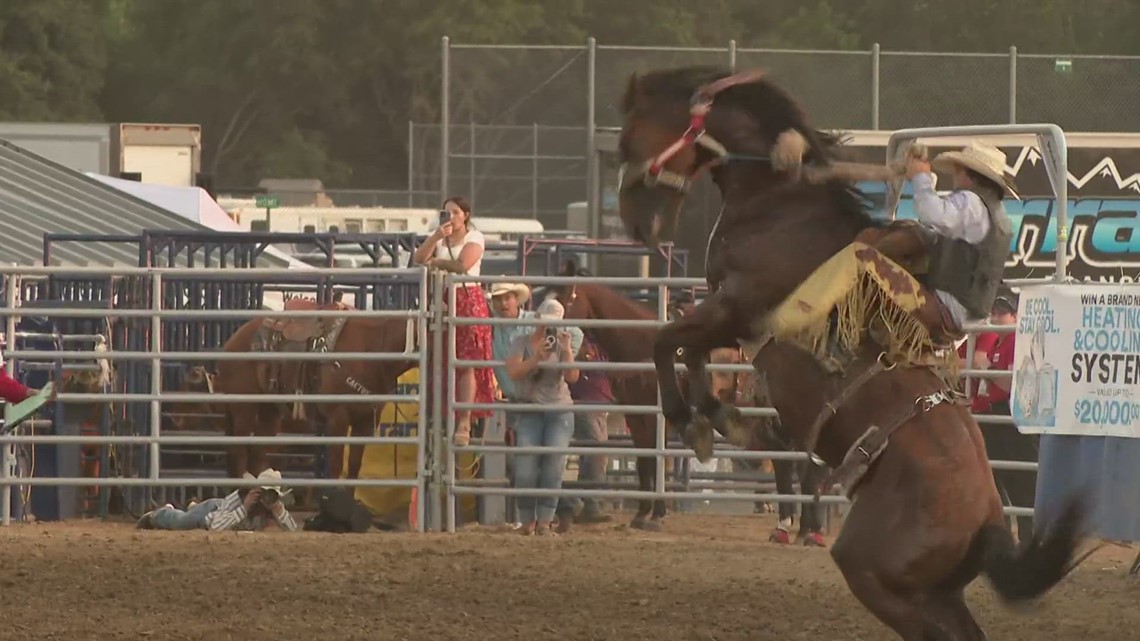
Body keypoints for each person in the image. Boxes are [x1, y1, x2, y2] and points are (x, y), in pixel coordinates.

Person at [902, 141, 1017, 343]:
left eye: (959, 170)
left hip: (949, 302)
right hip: (968, 307)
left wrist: (921, 178)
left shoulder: (971, 202)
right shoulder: (994, 210)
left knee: (872, 272)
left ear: (970, 175)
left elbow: (934, 214)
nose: (955, 174)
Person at [413, 196, 495, 446]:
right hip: (444, 299)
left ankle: (464, 421)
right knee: (442, 359)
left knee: (467, 362)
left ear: (466, 215)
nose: (450, 216)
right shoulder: (439, 236)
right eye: (446, 212)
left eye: (455, 212)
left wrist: (436, 261)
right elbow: (418, 258)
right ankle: (441, 416)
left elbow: (463, 265)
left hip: (468, 299)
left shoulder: (475, 237)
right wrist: (436, 237)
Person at [505, 298, 579, 536]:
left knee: (554, 465)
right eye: (546, 323)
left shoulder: (565, 343)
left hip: (559, 410)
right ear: (537, 319)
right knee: (525, 466)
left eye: (554, 324)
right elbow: (514, 372)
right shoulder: (520, 342)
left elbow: (572, 377)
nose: (549, 329)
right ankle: (528, 521)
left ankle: (545, 521)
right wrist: (536, 357)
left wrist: (566, 350)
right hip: (530, 409)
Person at [970, 292, 1037, 542]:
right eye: (994, 312)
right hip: (994, 417)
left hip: (1011, 418)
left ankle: (1028, 537)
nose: (996, 317)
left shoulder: (1020, 341)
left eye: (1002, 313)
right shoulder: (999, 342)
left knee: (1020, 480)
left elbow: (1011, 385)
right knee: (996, 479)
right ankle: (1006, 537)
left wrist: (985, 369)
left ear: (1016, 316)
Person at [555, 333, 615, 532]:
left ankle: (584, 502)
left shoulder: (598, 342)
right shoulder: (578, 337)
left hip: (597, 402)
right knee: (596, 451)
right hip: (584, 401)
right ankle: (588, 502)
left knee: (596, 454)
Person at [135, 468, 299, 532]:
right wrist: (244, 508)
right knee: (181, 522)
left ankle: (193, 505)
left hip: (220, 513)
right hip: (212, 512)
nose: (266, 499)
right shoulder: (241, 497)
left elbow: (293, 531)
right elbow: (215, 526)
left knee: (189, 516)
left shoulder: (273, 508)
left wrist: (279, 511)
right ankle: (158, 514)